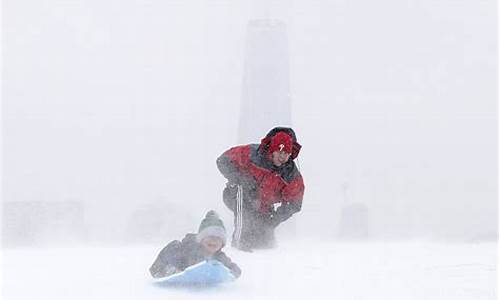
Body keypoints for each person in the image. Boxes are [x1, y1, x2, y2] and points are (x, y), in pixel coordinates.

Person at [216, 126, 305, 252]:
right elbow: (222, 160)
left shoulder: (290, 174)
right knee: (244, 194)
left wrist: (274, 220)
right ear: (272, 150)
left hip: (263, 207)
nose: (282, 157)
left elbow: (295, 203)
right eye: (280, 152)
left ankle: (261, 245)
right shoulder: (252, 154)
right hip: (236, 195)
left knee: (264, 243)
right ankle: (239, 241)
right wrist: (239, 179)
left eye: (286, 154)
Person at [149, 210, 241, 279]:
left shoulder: (219, 256)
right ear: (201, 239)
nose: (213, 241)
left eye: (218, 238)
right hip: (171, 265)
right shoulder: (189, 249)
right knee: (174, 247)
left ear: (222, 244)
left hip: (196, 274)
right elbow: (192, 261)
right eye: (210, 237)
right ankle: (167, 271)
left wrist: (231, 273)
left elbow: (234, 268)